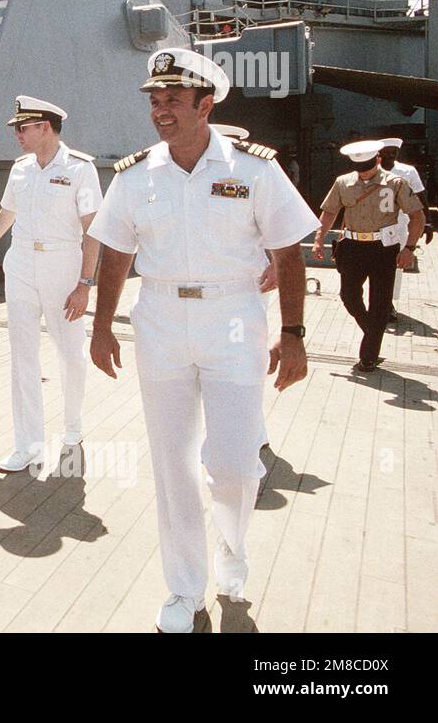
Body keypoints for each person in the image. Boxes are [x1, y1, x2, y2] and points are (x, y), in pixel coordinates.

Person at [87, 48, 319, 633]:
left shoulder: (255, 169)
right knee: (172, 464)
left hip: (234, 319)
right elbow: (115, 251)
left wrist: (293, 335)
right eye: (154, 101)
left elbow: (289, 252)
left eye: (172, 101)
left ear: (205, 104)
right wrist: (100, 325)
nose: (160, 111)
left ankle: (233, 551)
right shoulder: (135, 176)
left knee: (235, 464)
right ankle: (184, 588)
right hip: (160, 319)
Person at [0, 96, 102, 472]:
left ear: (44, 127)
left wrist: (85, 283)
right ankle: (29, 444)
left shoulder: (80, 169)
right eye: (16, 128)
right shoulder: (20, 169)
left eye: (23, 127)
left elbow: (92, 231)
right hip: (21, 263)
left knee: (70, 352)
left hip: (62, 264)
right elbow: (6, 215)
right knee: (23, 355)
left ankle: (73, 426)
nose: (17, 134)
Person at [312, 140, 424, 372]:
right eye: (360, 168)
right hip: (352, 246)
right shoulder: (343, 182)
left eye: (369, 167)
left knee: (380, 304)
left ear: (378, 160)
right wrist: (319, 238)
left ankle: (368, 356)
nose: (365, 174)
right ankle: (372, 333)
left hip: (383, 248)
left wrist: (409, 248)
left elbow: (417, 216)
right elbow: (330, 211)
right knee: (349, 296)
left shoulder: (395, 183)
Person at [377, 138, 427, 320]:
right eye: (386, 152)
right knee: (374, 264)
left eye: (393, 153)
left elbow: (421, 196)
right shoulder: (371, 170)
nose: (389, 155)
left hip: (399, 224)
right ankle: (377, 301)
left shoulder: (407, 171)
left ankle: (388, 303)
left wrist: (426, 224)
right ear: (379, 153)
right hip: (374, 225)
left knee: (395, 265)